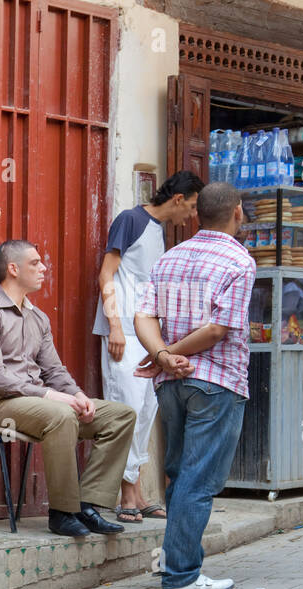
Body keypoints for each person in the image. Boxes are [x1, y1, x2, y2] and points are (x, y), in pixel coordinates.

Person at [0, 240, 137, 538]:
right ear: (13, 269)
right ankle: (62, 513)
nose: (43, 268)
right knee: (60, 415)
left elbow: (54, 370)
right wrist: (54, 397)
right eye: (35, 263)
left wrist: (77, 395)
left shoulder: (38, 317)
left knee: (121, 416)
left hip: (38, 404)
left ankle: (87, 505)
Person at [132, 181, 255, 589]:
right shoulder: (239, 261)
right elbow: (219, 330)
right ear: (237, 213)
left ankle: (174, 561)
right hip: (217, 382)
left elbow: (143, 316)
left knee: (181, 474)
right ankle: (182, 575)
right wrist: (166, 355)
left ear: (198, 214)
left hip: (173, 385)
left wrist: (163, 356)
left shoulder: (171, 256)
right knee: (198, 481)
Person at [95, 170, 204, 522]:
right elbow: (106, 274)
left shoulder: (158, 233)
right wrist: (113, 325)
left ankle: (137, 492)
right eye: (190, 207)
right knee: (126, 408)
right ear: (177, 199)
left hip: (148, 337)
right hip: (123, 333)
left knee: (146, 411)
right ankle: (125, 495)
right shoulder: (131, 220)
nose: (191, 215)